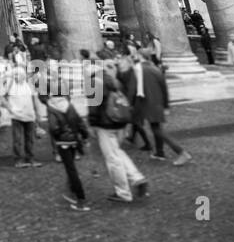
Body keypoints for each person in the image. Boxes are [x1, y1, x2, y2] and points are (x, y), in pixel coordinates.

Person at [90, 58, 148, 203]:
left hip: (105, 124)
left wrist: (92, 124)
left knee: (112, 159)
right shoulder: (114, 81)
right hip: (119, 121)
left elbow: (94, 106)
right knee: (118, 152)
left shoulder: (95, 82)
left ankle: (123, 192)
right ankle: (136, 177)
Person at [122, 51, 191, 166]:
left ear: (140, 57)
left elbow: (132, 90)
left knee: (157, 130)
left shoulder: (138, 70)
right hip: (157, 103)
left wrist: (128, 103)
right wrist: (166, 105)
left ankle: (181, 152)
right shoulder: (156, 69)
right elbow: (164, 89)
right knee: (156, 128)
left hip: (147, 103)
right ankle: (159, 153)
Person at [44, 93, 91, 212]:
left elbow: (53, 127)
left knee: (71, 170)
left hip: (62, 142)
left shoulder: (52, 108)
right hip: (74, 140)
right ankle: (71, 191)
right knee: (72, 168)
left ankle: (80, 198)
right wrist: (84, 136)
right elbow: (80, 122)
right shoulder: (70, 106)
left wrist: (58, 136)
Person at [2, 63, 42, 168]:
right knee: (17, 139)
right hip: (17, 116)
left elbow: (34, 99)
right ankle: (18, 160)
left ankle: (30, 158)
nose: (16, 77)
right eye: (15, 75)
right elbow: (1, 98)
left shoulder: (29, 84)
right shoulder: (10, 85)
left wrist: (37, 113)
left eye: (18, 75)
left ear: (23, 75)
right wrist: (10, 109)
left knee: (30, 138)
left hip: (29, 115)